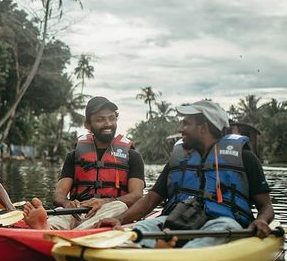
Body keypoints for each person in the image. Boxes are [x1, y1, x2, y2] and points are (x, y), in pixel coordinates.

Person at [102, 99, 274, 247]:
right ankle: (132, 252)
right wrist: (121, 219)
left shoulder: (245, 158)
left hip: (224, 224)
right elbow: (150, 200)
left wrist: (262, 221)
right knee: (142, 229)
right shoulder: (179, 159)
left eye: (186, 123)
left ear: (203, 128)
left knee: (221, 229)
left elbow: (266, 206)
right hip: (179, 220)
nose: (180, 128)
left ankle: (180, 255)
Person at [24, 96, 145, 230]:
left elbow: (137, 195)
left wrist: (105, 201)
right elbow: (58, 195)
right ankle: (49, 228)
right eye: (100, 119)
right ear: (87, 125)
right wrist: (67, 203)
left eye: (112, 118)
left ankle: (70, 234)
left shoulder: (133, 156)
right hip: (79, 211)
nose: (108, 124)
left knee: (119, 206)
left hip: (112, 211)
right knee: (63, 212)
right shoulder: (74, 156)